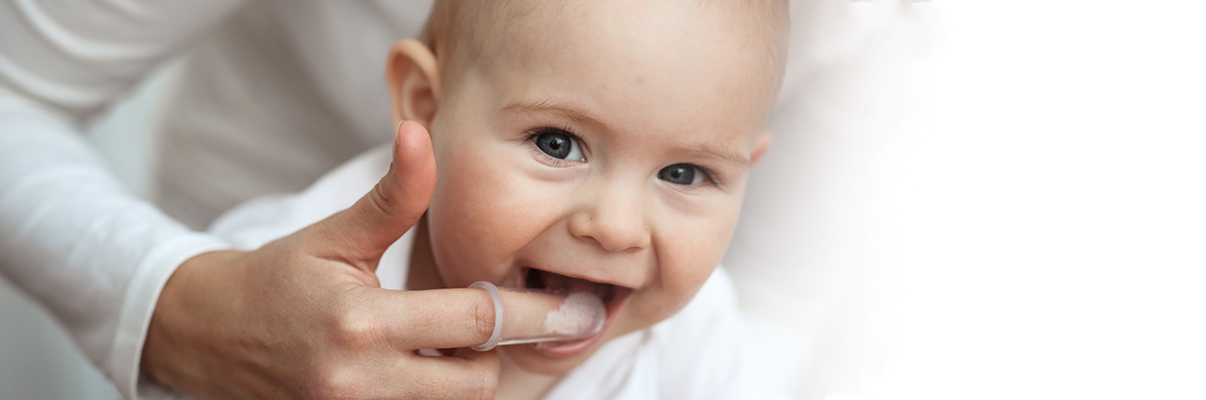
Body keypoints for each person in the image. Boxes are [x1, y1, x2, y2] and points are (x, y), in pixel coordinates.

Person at [143, 0, 787, 398]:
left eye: (683, 174)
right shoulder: (276, 294)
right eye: (558, 144)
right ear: (427, 105)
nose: (617, 230)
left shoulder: (696, 341)